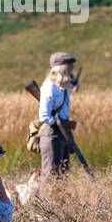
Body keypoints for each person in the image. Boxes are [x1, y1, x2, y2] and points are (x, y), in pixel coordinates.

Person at [38, 52, 78, 182]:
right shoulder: (49, 87)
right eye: (69, 67)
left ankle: (61, 202)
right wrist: (59, 124)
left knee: (63, 174)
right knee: (50, 175)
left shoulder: (64, 87)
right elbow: (44, 115)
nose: (71, 70)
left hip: (63, 132)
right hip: (52, 133)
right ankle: (46, 202)